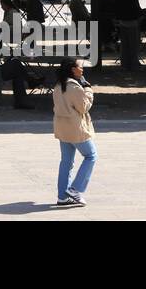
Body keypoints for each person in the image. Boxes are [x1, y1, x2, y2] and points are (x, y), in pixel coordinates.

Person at [52, 58, 96, 207]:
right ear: (72, 69)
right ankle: (76, 189)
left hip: (62, 128)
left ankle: (62, 196)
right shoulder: (74, 87)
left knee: (66, 162)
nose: (82, 69)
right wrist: (88, 89)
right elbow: (84, 107)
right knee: (91, 155)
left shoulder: (58, 85)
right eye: (79, 67)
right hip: (75, 128)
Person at [0, 0, 36, 109]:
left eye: (2, 4)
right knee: (16, 64)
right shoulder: (10, 12)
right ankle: (29, 82)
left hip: (12, 39)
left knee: (16, 64)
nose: (1, 7)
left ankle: (27, 88)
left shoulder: (12, 13)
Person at [114, 0, 142, 69]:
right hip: (132, 21)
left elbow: (116, 6)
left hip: (122, 21)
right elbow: (136, 6)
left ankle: (125, 64)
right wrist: (140, 16)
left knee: (124, 45)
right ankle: (133, 64)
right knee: (133, 45)